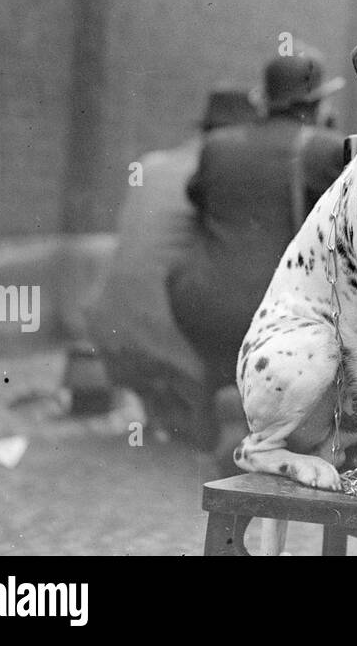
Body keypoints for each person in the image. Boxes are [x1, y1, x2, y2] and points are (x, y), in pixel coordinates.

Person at [169, 46, 346, 410]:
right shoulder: (326, 149)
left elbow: (197, 198)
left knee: (220, 369)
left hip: (207, 305)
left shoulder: (217, 145)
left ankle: (213, 431)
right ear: (316, 104)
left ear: (264, 100)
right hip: (278, 313)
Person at [83, 88, 257, 447]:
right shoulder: (224, 174)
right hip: (168, 335)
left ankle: (165, 408)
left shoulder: (152, 162)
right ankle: (195, 411)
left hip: (106, 327)